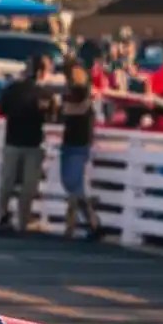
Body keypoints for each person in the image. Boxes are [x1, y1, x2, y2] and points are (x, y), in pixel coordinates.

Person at [0, 54, 56, 233]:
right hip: (33, 143)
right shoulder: (45, 94)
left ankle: (3, 215)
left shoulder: (12, 89)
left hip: (12, 140)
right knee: (28, 187)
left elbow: (1, 110)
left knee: (7, 181)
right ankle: (23, 221)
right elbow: (51, 117)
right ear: (42, 72)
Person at [59, 59, 102, 241]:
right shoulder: (74, 101)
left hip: (78, 144)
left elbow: (75, 104)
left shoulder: (83, 102)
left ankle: (73, 224)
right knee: (72, 185)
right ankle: (93, 222)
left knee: (73, 184)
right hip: (70, 143)